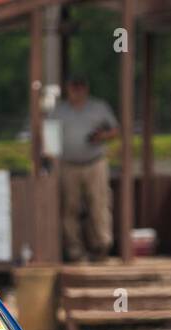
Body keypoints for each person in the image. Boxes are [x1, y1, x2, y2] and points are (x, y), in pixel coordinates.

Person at [50, 74, 120, 262]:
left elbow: (116, 130)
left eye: (81, 87)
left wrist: (102, 136)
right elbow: (49, 137)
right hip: (68, 165)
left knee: (99, 204)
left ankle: (102, 246)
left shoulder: (99, 107)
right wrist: (49, 157)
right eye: (74, 87)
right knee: (69, 207)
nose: (78, 91)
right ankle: (74, 250)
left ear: (86, 89)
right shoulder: (59, 111)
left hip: (95, 162)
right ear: (68, 89)